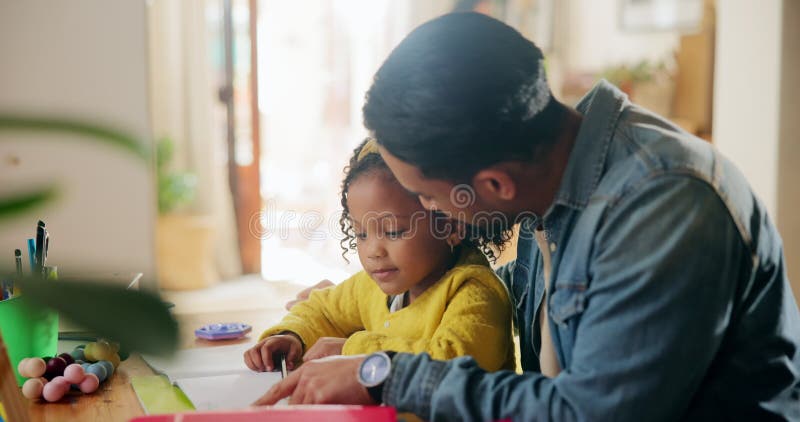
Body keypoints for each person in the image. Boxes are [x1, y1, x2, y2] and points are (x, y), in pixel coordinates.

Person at [254, 12, 800, 421]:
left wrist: (382, 373)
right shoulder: (552, 192)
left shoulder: (663, 208)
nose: (427, 212)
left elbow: (586, 414)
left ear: (493, 184)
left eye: (427, 196)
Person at [244, 138, 516, 376]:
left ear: (450, 223)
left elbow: (453, 360)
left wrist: (355, 351)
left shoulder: (474, 292)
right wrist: (292, 336)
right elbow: (323, 308)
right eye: (361, 234)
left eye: (393, 231)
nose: (373, 250)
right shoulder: (373, 286)